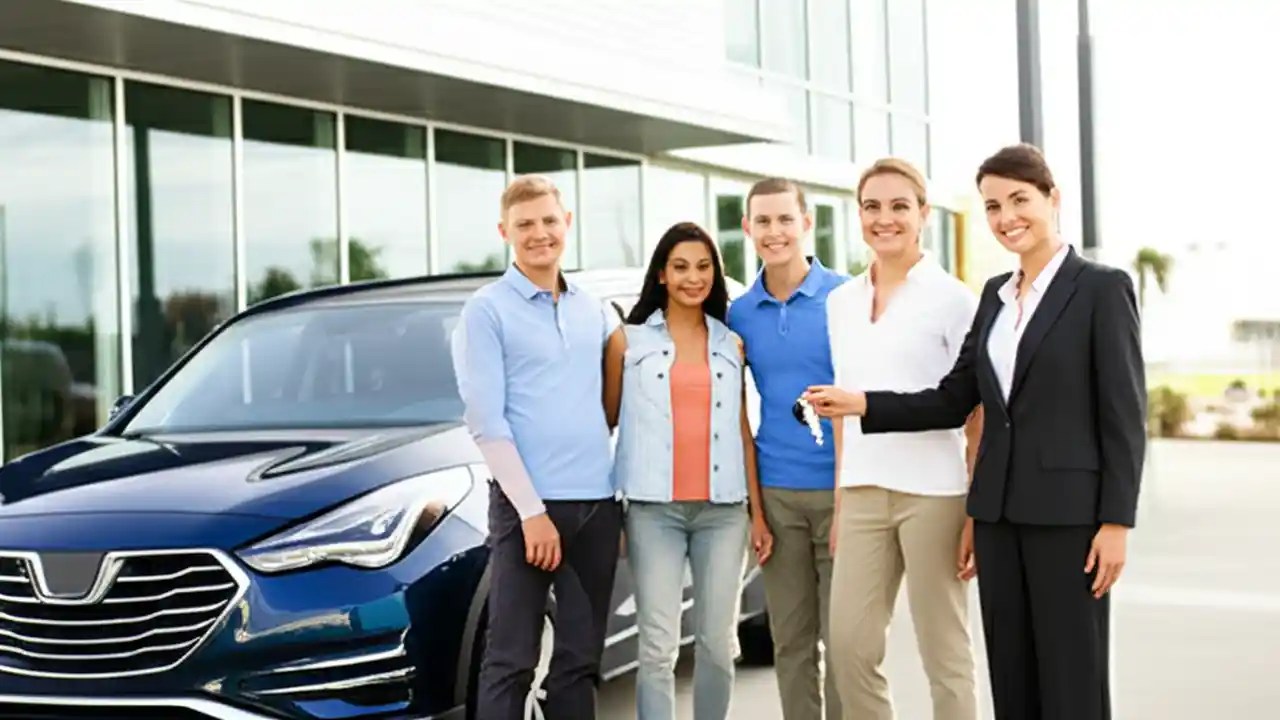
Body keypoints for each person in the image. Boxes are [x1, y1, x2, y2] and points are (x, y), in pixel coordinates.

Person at [805, 143, 1146, 720]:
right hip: (999, 516)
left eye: (1019, 200)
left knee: (1072, 679)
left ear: (1053, 199)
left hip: (1069, 517)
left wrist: (1117, 521)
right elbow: (953, 400)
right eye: (992, 206)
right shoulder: (995, 295)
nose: (1006, 217)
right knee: (1013, 677)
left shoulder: (1100, 289)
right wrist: (863, 404)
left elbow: (1124, 415)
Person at [451, 174, 623, 720]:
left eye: (549, 220)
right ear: (505, 232)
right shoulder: (486, 310)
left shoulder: (594, 308)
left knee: (579, 660)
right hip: (528, 509)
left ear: (566, 223)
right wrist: (531, 512)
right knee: (511, 659)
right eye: (525, 224)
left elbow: (613, 399)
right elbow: (485, 422)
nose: (539, 233)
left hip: (597, 505)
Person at [823, 158, 981, 720]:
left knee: (945, 652)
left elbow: (975, 411)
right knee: (849, 647)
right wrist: (841, 500)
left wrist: (974, 508)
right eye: (871, 207)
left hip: (935, 494)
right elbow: (842, 408)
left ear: (923, 214)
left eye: (898, 206)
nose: (883, 218)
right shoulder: (840, 302)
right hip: (862, 491)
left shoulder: (954, 299)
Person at [604, 221, 769, 720]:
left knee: (717, 644)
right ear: (661, 274)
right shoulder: (627, 343)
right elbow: (604, 424)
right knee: (658, 648)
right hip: (654, 512)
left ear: (715, 274)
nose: (692, 278)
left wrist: (758, 515)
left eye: (702, 267)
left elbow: (742, 431)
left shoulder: (731, 344)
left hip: (724, 512)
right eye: (680, 267)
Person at [727, 177, 847, 720]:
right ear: (747, 228)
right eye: (763, 221)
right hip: (777, 496)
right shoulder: (739, 313)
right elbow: (735, 414)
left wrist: (848, 500)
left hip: (844, 493)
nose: (774, 231)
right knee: (792, 643)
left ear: (807, 223)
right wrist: (755, 511)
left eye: (785, 219)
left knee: (846, 646)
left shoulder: (845, 298)